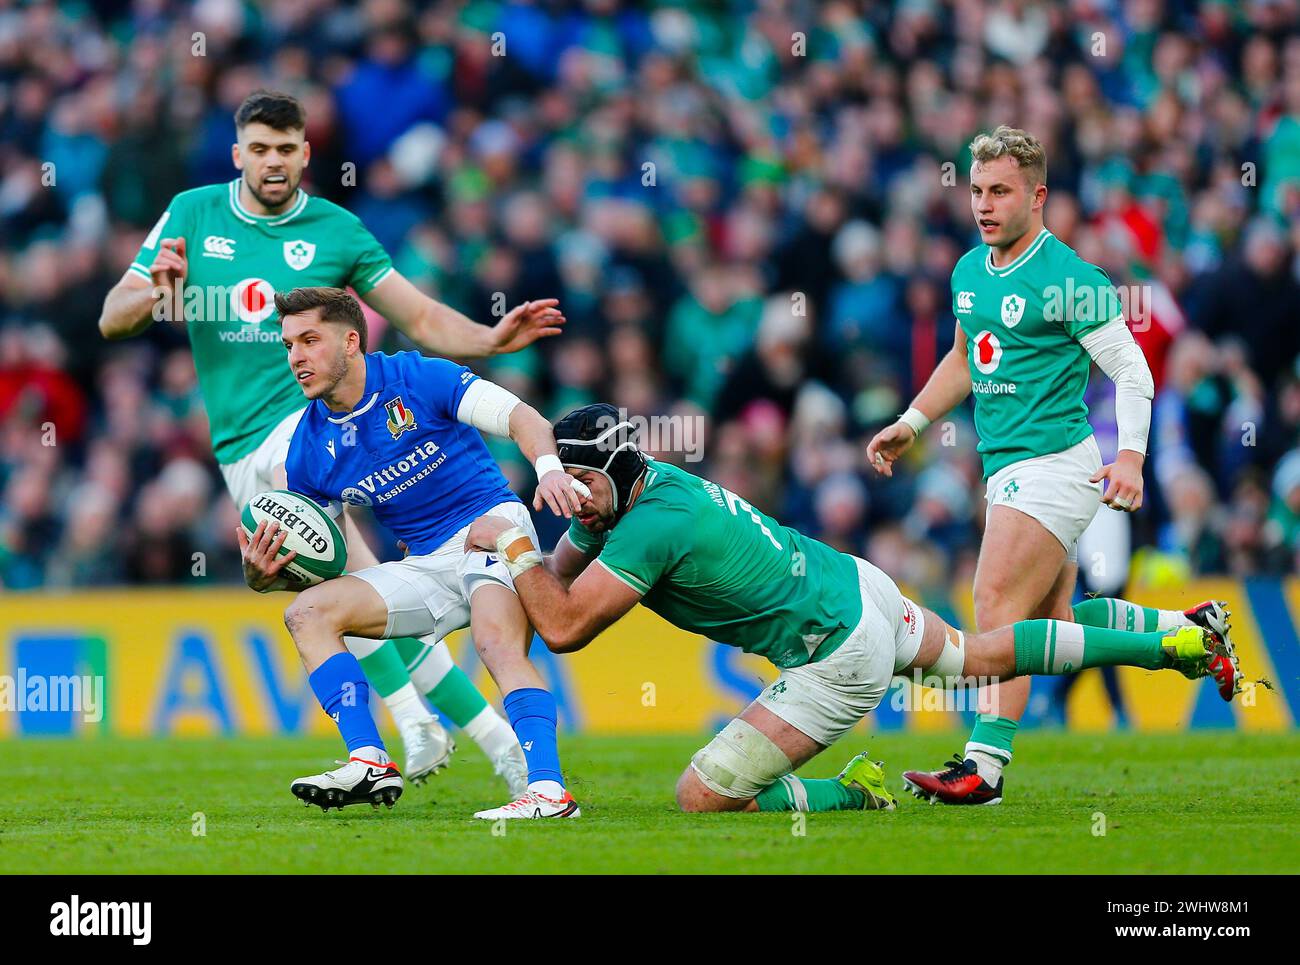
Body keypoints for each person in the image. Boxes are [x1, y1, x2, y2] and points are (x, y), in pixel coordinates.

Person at [98, 90, 560, 792]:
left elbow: (423, 317)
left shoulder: (338, 231)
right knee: (345, 585)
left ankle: (415, 730)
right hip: (241, 445)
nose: (273, 161)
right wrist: (153, 291)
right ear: (237, 156)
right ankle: (448, 728)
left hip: (316, 426)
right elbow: (112, 317)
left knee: (343, 581)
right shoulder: (193, 212)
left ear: (306, 154)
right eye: (259, 149)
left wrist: (489, 339)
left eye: (286, 149)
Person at [462, 404, 1241, 814]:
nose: (571, 499)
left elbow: (561, 625)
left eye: (578, 483)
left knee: (700, 797)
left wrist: (514, 548)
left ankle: (855, 788)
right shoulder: (632, 497)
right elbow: (556, 587)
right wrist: (531, 552)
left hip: (837, 648)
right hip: (856, 585)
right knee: (981, 655)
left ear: (619, 468)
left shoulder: (649, 525)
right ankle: (1177, 637)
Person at [865, 126, 1237, 804]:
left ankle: (983, 768)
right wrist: (913, 422)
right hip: (1008, 468)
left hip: (1056, 468)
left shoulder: (1069, 279)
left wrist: (1131, 457)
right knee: (1054, 625)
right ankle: (1189, 632)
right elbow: (962, 356)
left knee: (994, 607)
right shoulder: (970, 271)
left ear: (1037, 197)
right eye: (976, 190)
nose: (983, 205)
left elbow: (1132, 369)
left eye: (1000, 191)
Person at [240, 287, 585, 816]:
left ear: (351, 341)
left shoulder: (418, 377)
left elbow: (524, 419)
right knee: (307, 613)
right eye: (288, 345)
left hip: (489, 527)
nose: (296, 358)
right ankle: (368, 759)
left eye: (310, 340)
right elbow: (319, 562)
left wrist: (550, 471)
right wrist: (265, 574)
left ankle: (548, 791)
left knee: (496, 644)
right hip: (424, 565)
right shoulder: (307, 450)